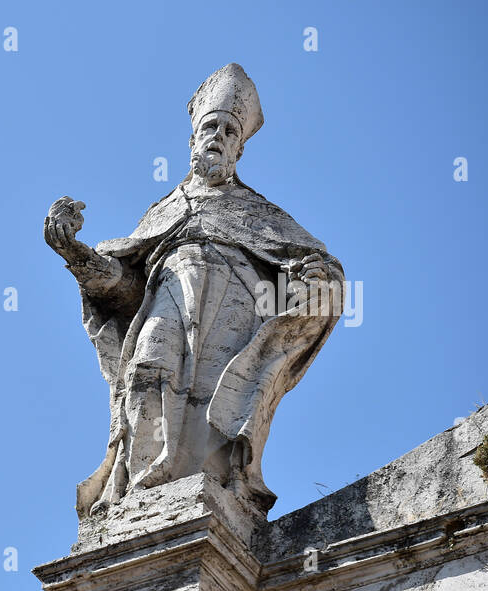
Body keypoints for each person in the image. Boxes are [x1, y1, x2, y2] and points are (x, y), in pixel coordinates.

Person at [44, 63, 345, 516]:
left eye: (229, 130)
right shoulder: (164, 211)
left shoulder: (256, 212)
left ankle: (215, 490)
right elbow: (122, 289)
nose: (218, 135)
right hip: (167, 303)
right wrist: (73, 252)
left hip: (234, 319)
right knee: (147, 369)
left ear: (239, 149)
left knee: (216, 402)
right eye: (211, 126)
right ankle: (142, 495)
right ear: (191, 140)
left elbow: (319, 266)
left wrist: (314, 286)